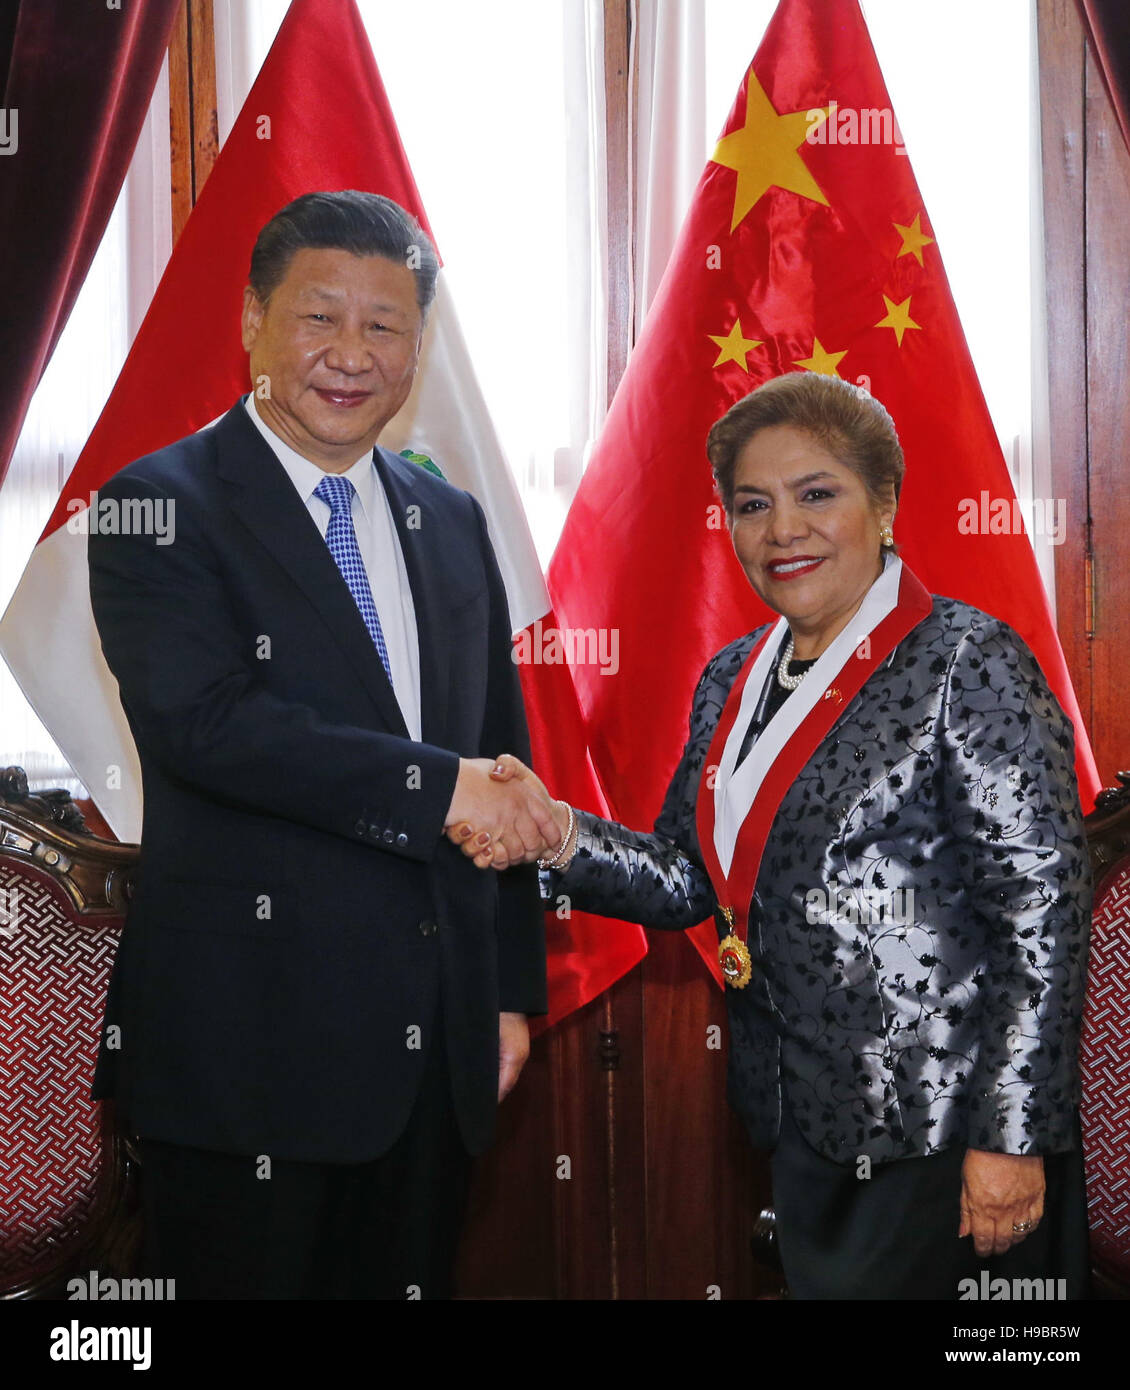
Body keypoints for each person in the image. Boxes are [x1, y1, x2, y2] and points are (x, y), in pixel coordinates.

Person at [450, 372, 1092, 1300]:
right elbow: (684, 879)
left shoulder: (969, 661)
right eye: (753, 505)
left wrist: (1013, 1140)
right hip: (794, 1121)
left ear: (885, 504)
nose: (781, 528)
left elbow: (1042, 916)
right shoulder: (733, 677)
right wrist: (555, 835)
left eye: (816, 493)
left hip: (944, 1144)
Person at [88, 190, 556, 1300]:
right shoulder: (152, 506)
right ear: (253, 319)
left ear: (418, 345)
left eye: (384, 325)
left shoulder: (447, 520)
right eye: (319, 317)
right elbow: (210, 727)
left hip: (431, 1052)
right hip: (245, 1052)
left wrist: (503, 993)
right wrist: (439, 787)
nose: (351, 354)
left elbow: (498, 752)